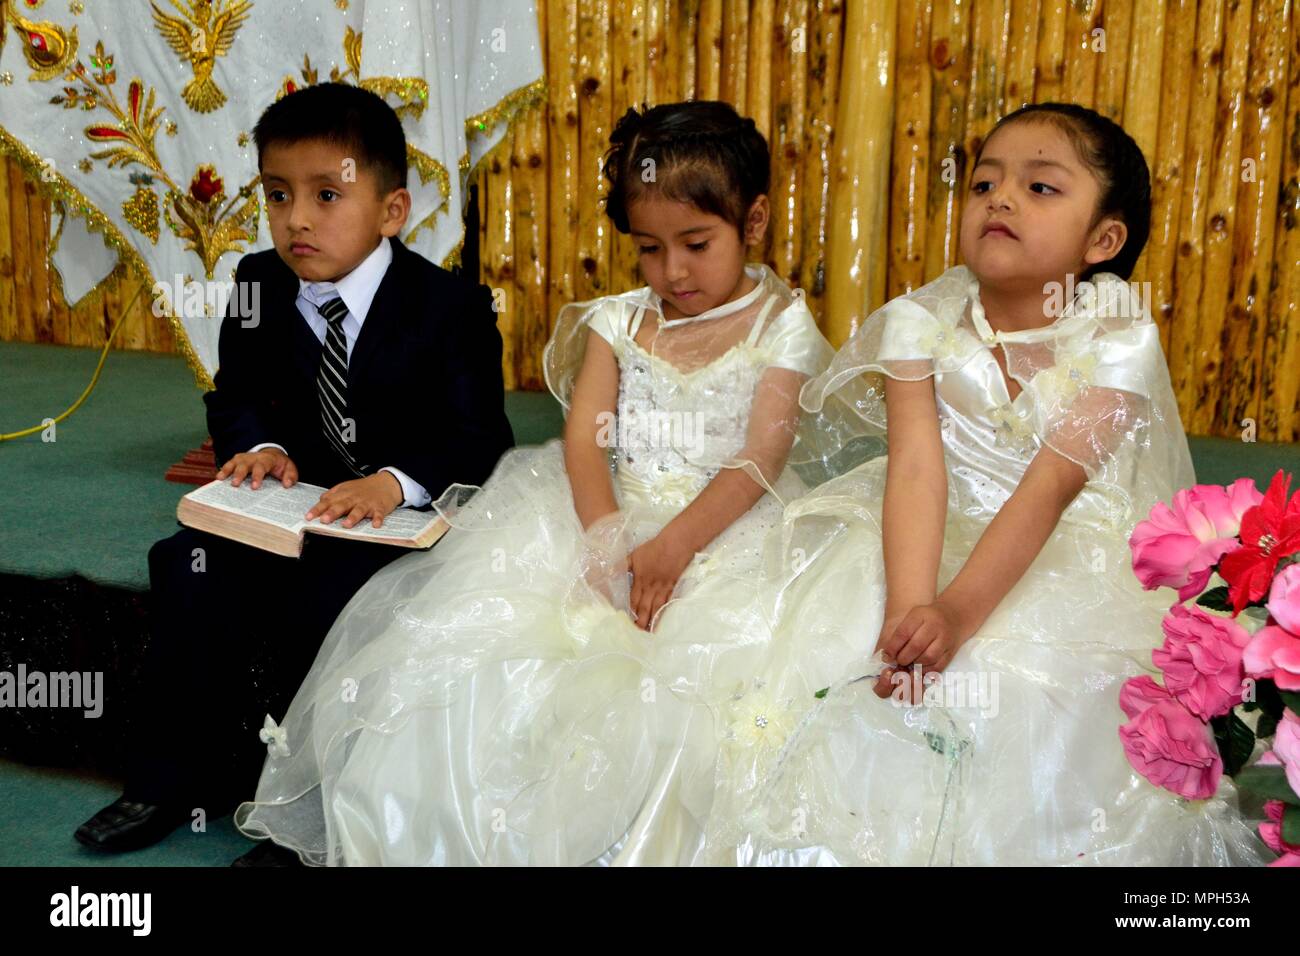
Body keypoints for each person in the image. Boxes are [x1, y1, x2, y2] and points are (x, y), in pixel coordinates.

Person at [234, 100, 861, 865]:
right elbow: (585, 438)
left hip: (726, 524)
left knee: (699, 683)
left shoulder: (781, 326)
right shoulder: (619, 320)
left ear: (754, 221)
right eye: (649, 250)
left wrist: (671, 550)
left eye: (696, 245)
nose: (673, 272)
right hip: (607, 512)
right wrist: (604, 536)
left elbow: (759, 458)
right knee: (499, 652)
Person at [708, 103, 1271, 866]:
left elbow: (1048, 491)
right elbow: (914, 471)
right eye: (983, 183)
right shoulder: (917, 321)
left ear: (1103, 240)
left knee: (1030, 695)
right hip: (920, 537)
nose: (999, 198)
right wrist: (912, 611)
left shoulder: (1119, 341)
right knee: (842, 657)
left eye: (1040, 188)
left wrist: (956, 615)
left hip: (1056, 553)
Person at [73, 83, 514, 858]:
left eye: (326, 195)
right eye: (278, 195)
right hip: (292, 508)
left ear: (391, 211)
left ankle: (314, 812)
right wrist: (263, 447)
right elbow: (237, 393)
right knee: (187, 569)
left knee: (328, 606)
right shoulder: (258, 283)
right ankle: (165, 778)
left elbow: (481, 436)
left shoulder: (449, 309)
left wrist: (395, 481)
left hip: (392, 526)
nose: (297, 218)